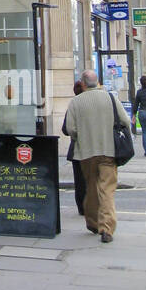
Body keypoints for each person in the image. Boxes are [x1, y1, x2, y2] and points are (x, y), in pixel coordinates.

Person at [63, 68, 132, 242]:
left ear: (83, 84)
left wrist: (81, 136)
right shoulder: (110, 98)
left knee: (91, 187)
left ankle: (93, 222)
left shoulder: (76, 102)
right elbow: (125, 120)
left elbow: (70, 129)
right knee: (107, 189)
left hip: (86, 153)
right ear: (98, 82)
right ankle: (107, 228)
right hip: (109, 151)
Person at [61, 79, 87, 216]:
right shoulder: (87, 106)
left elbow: (65, 129)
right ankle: (89, 205)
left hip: (76, 148)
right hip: (88, 148)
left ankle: (81, 207)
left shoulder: (72, 106)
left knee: (79, 180)